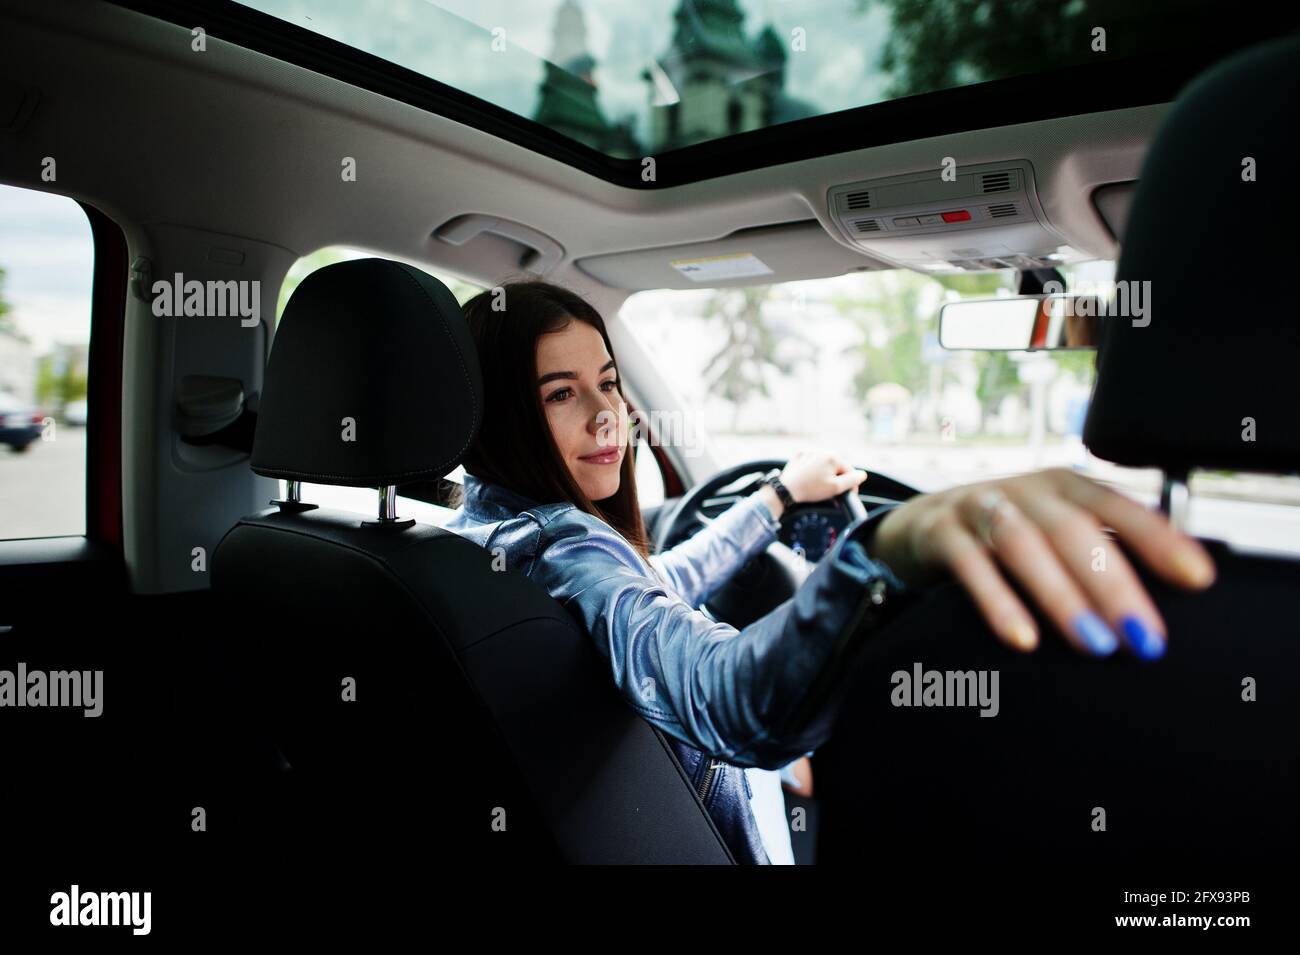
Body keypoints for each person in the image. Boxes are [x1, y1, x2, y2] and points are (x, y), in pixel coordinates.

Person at [443, 280, 1216, 865]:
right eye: (560, 394)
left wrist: (776, 499)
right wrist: (883, 552)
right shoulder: (569, 548)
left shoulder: (472, 533)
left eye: (609, 382)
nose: (606, 415)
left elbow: (651, 588)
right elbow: (730, 699)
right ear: (506, 416)